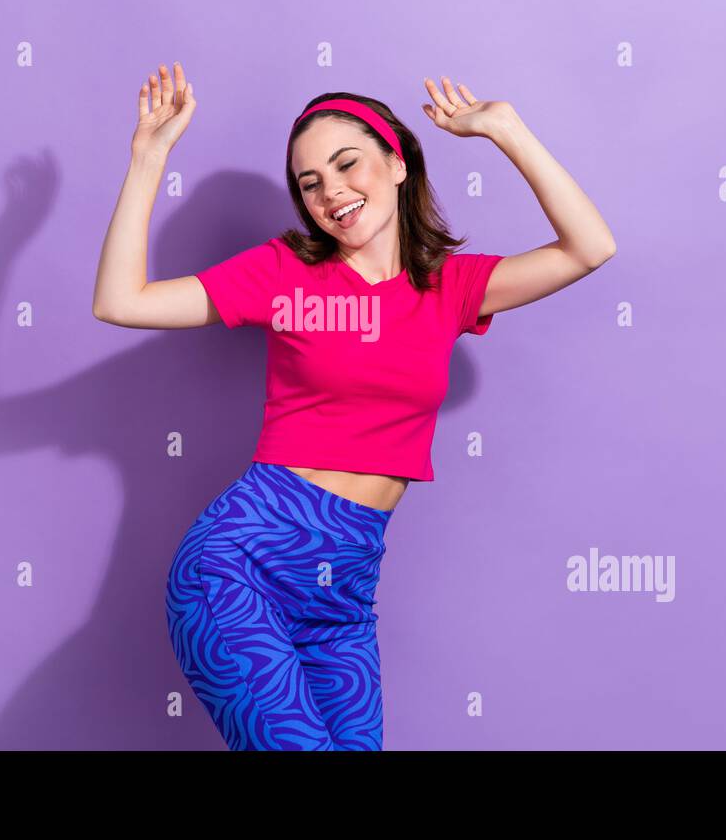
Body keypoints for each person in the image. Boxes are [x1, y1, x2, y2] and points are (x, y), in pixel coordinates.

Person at [92, 61, 616, 750]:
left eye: (348, 165)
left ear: (397, 163)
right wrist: (148, 157)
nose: (331, 192)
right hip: (240, 565)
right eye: (310, 184)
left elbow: (590, 247)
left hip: (343, 593)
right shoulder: (283, 272)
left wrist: (504, 129)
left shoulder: (450, 287)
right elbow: (120, 301)